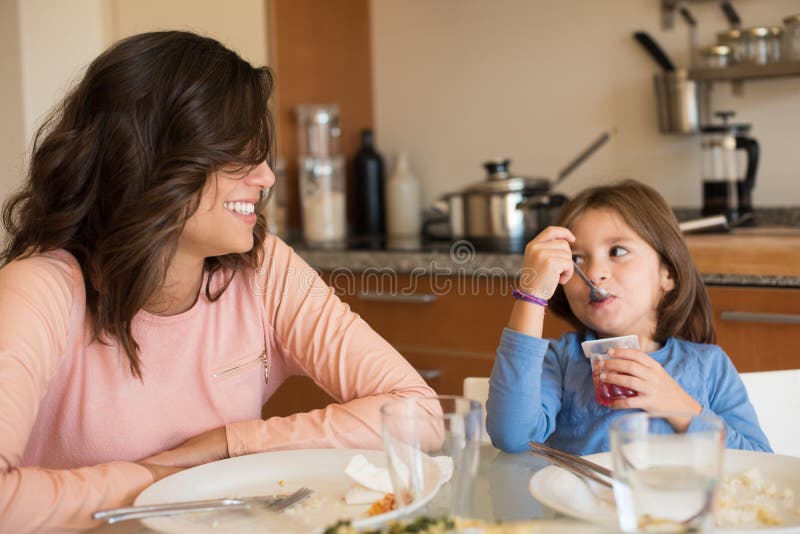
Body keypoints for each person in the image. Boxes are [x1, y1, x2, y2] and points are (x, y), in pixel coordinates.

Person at [0, 31, 434, 532]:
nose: (267, 177)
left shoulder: (264, 270)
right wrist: (154, 481)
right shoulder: (39, 289)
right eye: (238, 153)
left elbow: (415, 413)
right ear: (150, 159)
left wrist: (231, 445)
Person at [486, 180, 771, 455]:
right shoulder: (561, 361)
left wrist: (681, 407)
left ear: (667, 273)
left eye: (617, 251)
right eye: (576, 258)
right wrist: (532, 294)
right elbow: (512, 437)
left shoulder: (710, 365)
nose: (595, 273)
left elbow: (760, 462)